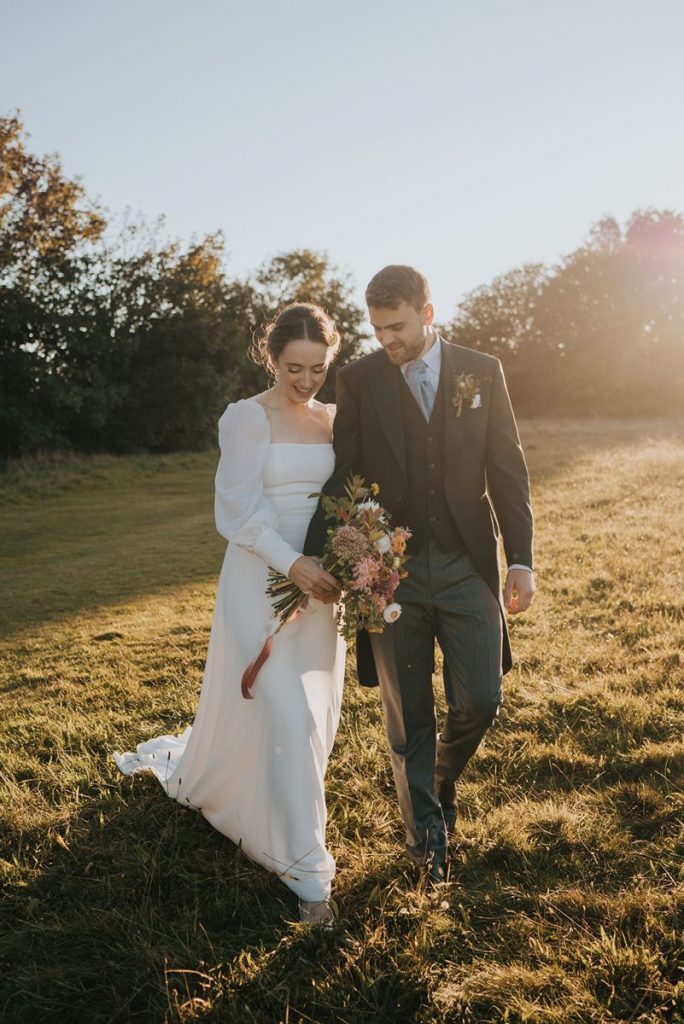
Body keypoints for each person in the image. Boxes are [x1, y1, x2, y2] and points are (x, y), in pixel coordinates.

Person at [304, 266, 535, 886]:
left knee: (481, 699)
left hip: (466, 564)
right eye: (377, 329)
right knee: (408, 717)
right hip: (389, 572)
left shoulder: (481, 370)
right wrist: (314, 561)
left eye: (398, 326)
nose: (387, 340)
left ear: (428, 313)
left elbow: (508, 471)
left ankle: (436, 780)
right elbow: (342, 476)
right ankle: (427, 843)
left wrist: (520, 559)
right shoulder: (358, 381)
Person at [115, 303, 345, 924]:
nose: (306, 381)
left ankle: (279, 803)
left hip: (324, 585)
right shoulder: (247, 418)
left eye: (318, 369)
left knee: (310, 713)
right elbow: (237, 511)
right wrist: (290, 562)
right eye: (294, 367)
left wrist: (349, 561)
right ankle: (309, 877)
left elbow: (351, 497)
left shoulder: (333, 419)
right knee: (282, 705)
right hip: (259, 577)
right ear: (270, 358)